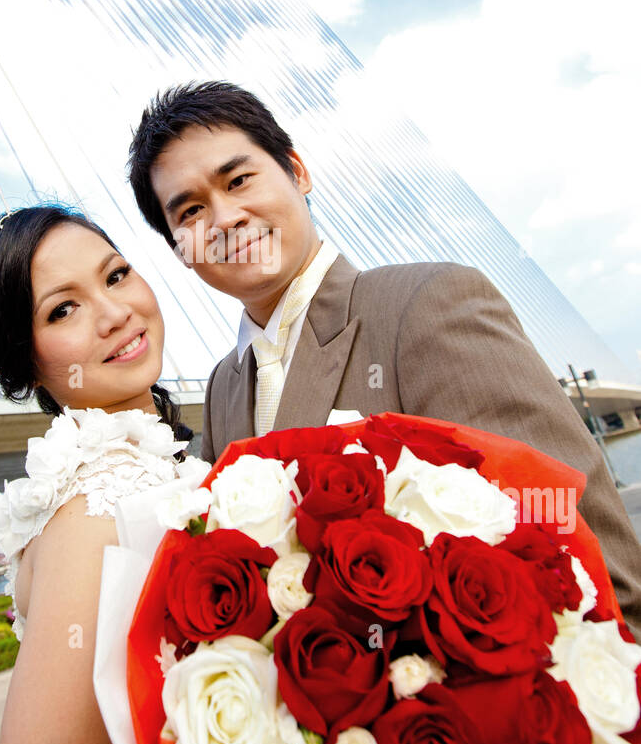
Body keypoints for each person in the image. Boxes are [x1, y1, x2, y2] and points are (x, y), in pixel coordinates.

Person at [127, 80, 641, 642]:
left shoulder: (429, 303)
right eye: (192, 211)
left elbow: (594, 557)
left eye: (239, 179)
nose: (224, 219)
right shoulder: (225, 388)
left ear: (297, 171)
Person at [0, 204, 198, 744]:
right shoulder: (101, 504)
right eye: (62, 311)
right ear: (22, 365)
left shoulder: (149, 472)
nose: (115, 312)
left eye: (116, 275)